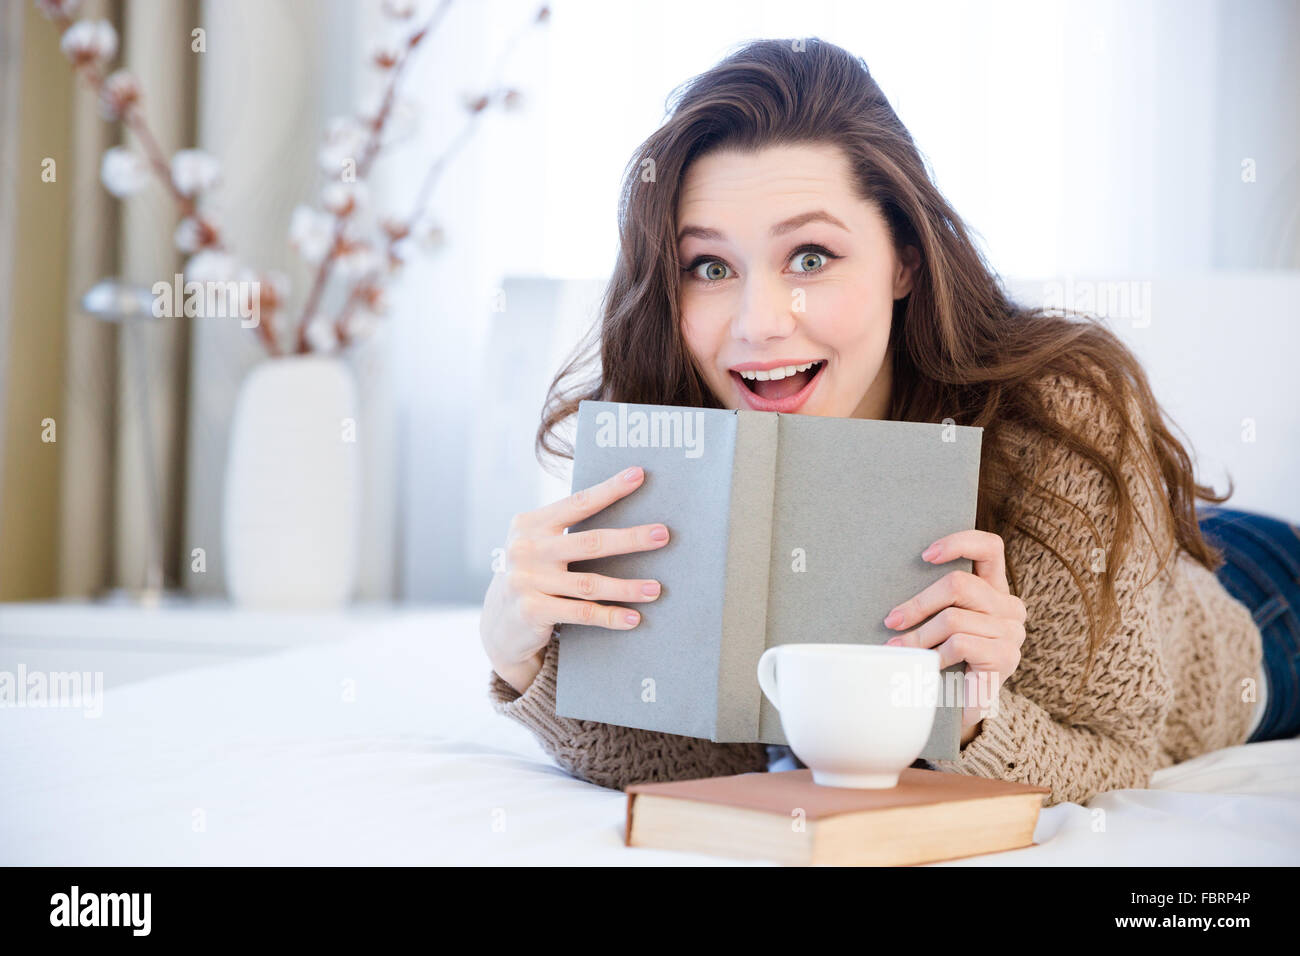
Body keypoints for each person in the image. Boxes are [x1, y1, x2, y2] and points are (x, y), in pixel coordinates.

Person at [478, 37, 1287, 807]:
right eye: (711, 266)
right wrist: (520, 658)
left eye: (811, 257)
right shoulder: (678, 421)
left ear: (902, 257)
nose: (759, 323)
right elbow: (701, 757)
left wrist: (972, 717)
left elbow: (1118, 755)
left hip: (1250, 601)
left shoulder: (1057, 414)